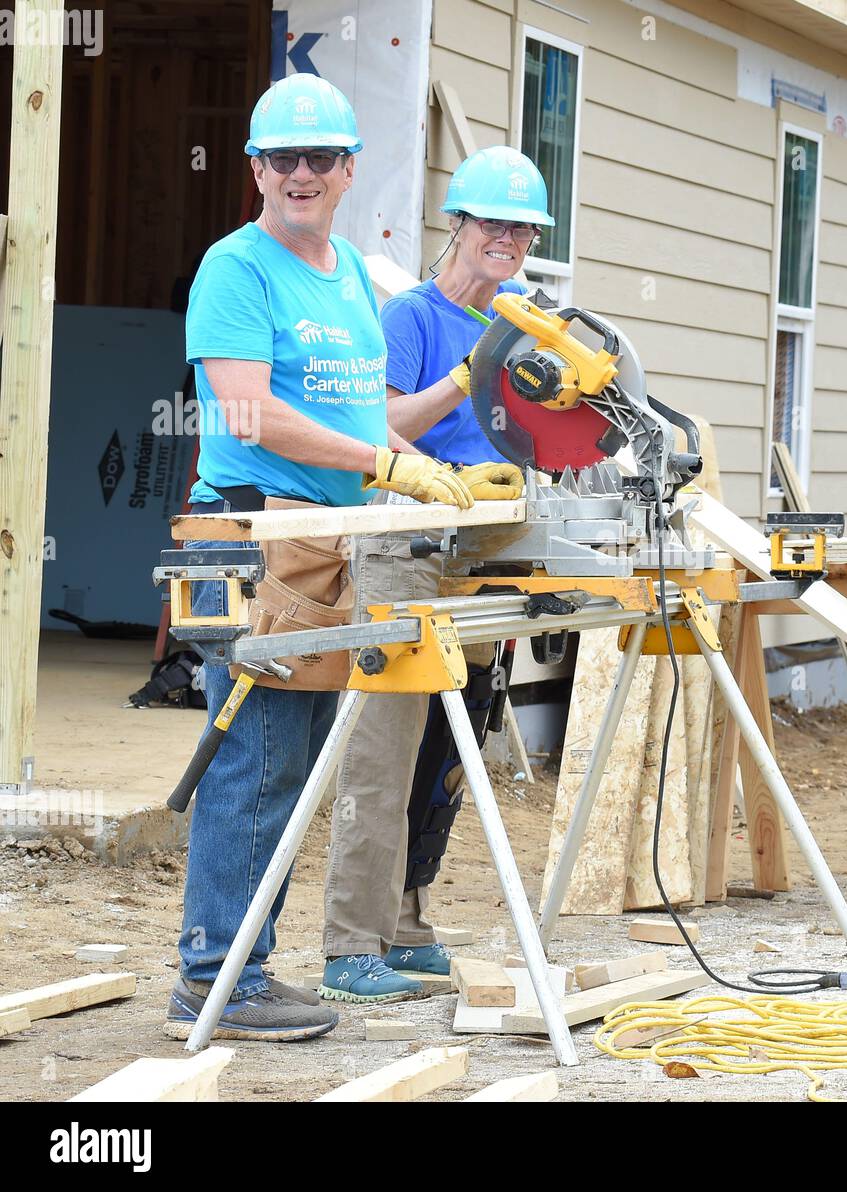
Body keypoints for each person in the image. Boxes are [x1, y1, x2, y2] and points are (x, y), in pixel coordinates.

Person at [166, 74, 496, 1041]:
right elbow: (247, 411)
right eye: (282, 159)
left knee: (296, 760)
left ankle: (239, 972)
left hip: (331, 536)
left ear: (351, 169)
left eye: (320, 159)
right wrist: (385, 462)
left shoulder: (352, 271)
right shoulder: (238, 267)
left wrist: (420, 464)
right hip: (257, 533)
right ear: (256, 169)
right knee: (259, 763)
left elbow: (361, 416)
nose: (300, 175)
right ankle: (215, 978)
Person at [318, 147, 551, 1001]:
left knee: (452, 747)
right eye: (494, 224)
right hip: (404, 545)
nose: (509, 242)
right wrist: (469, 371)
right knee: (385, 747)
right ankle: (350, 945)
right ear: (459, 224)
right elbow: (383, 426)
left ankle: (407, 924)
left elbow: (533, 425)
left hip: (484, 548)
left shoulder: (524, 319)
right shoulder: (411, 317)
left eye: (523, 230)